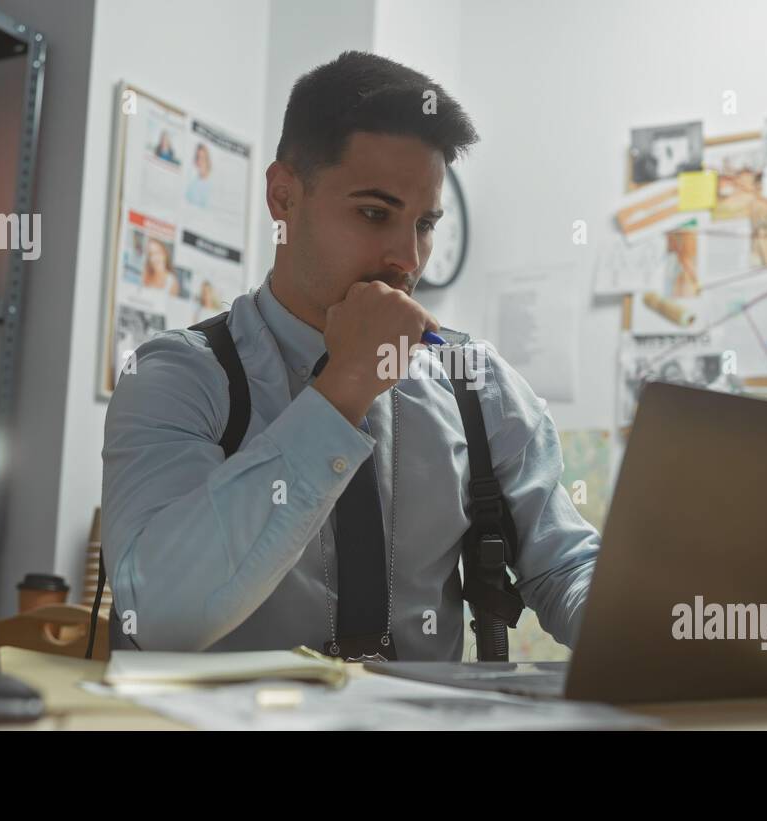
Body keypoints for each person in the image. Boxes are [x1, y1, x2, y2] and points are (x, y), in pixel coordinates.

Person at [102, 51, 598, 657]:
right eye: (373, 213)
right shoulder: (177, 377)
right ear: (284, 197)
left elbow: (565, 567)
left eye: (423, 224)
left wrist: (645, 635)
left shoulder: (478, 383)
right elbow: (158, 617)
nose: (408, 260)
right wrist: (347, 386)